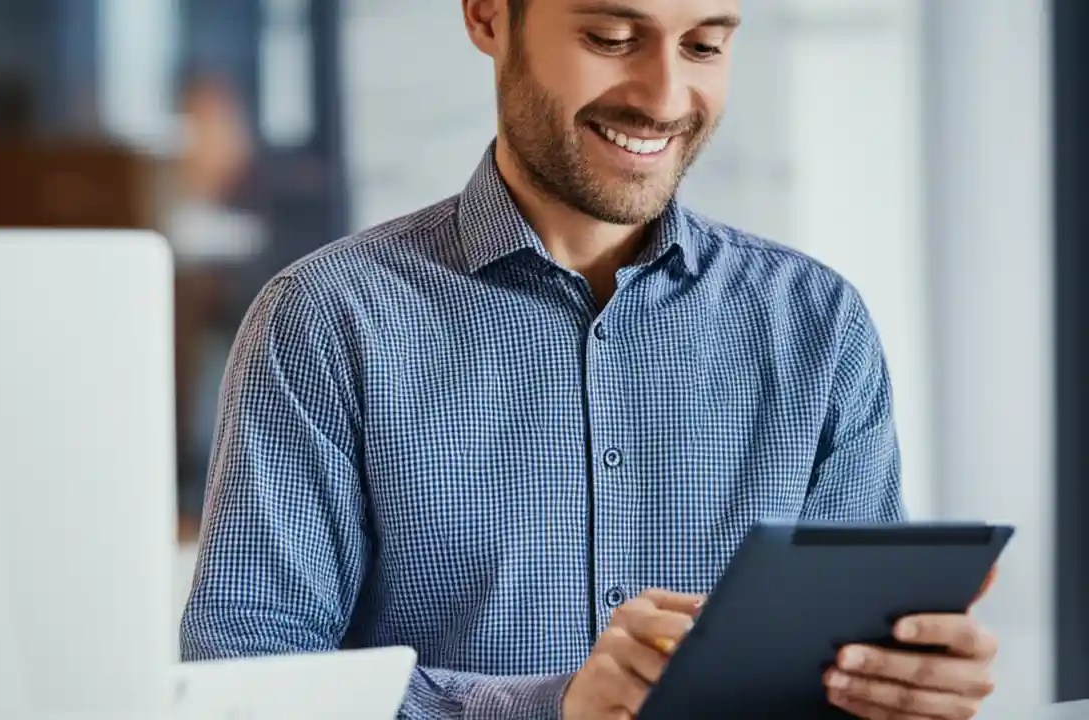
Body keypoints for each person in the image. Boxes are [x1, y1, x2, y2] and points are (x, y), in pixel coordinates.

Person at [181, 1, 1000, 718]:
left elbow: (839, 671)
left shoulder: (819, 325)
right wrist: (552, 708)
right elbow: (249, 684)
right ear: (488, 16)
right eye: (612, 37)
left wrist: (898, 690)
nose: (664, 98)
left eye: (705, 47)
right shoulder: (327, 320)